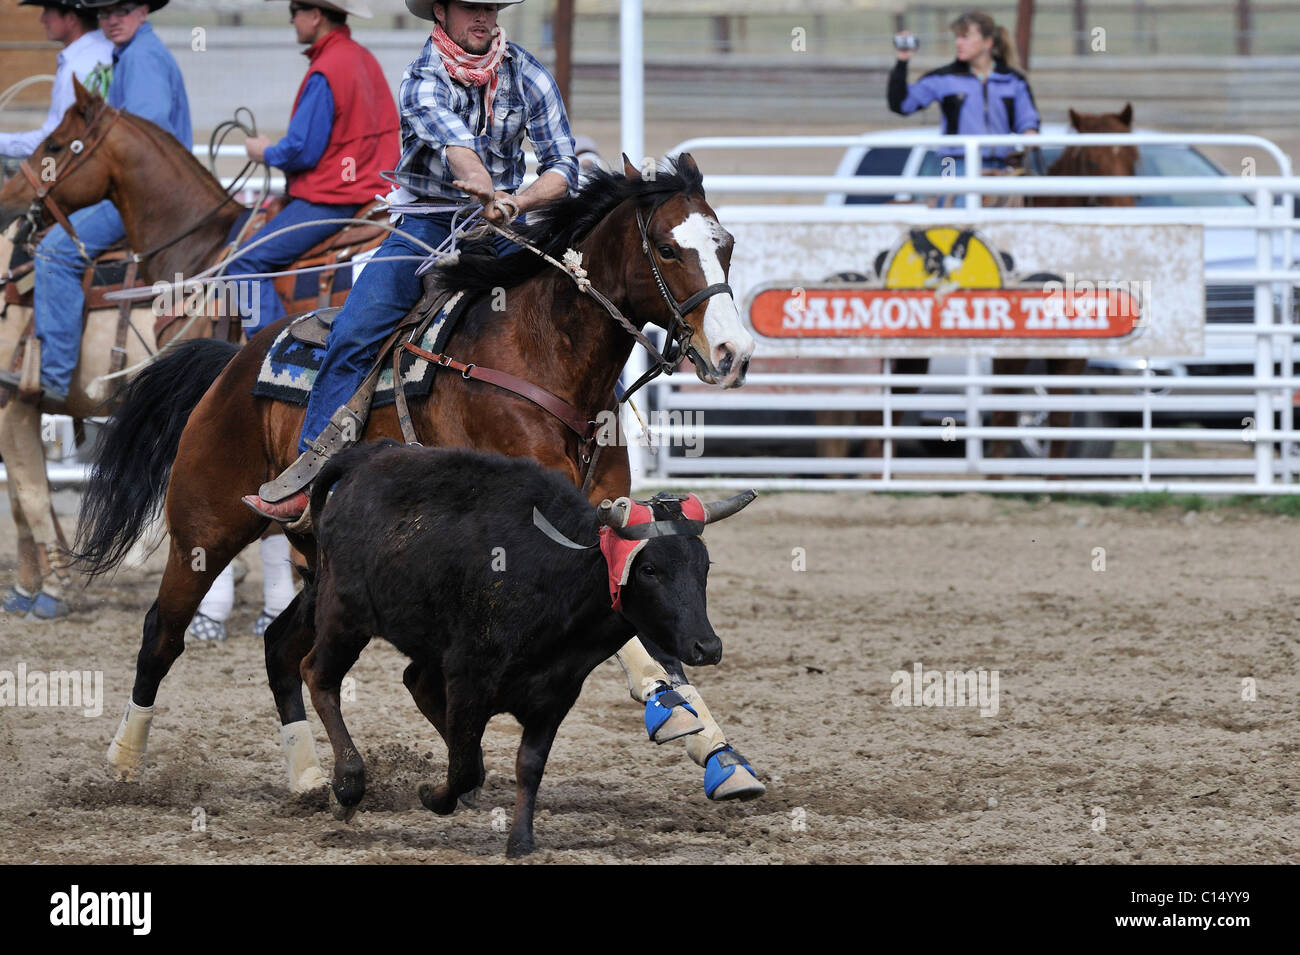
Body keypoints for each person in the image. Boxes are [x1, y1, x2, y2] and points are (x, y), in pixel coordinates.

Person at [243, 0, 577, 521]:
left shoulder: (526, 71)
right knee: (357, 328)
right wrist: (481, 185)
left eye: (490, 7)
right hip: (428, 224)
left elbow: (563, 166)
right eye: (471, 7)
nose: (483, 17)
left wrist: (516, 202)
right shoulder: (422, 74)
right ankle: (309, 476)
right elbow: (457, 147)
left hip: (507, 220)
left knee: (575, 312)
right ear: (441, 12)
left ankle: (600, 446)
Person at [0, 0, 190, 407]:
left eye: (121, 10)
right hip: (145, 190)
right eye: (104, 13)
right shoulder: (131, 55)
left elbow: (142, 140)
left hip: (145, 197)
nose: (111, 20)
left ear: (142, 10)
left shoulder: (140, 59)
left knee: (53, 252)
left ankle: (52, 376)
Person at [221, 0, 399, 337]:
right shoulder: (362, 58)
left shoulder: (326, 69)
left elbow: (302, 151)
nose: (291, 19)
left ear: (315, 16)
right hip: (374, 189)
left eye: (296, 10)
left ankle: (269, 351)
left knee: (243, 264)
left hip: (332, 197)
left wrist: (264, 151)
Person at [887, 10, 1039, 183]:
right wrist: (902, 62)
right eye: (957, 37)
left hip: (999, 163)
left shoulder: (1012, 80)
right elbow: (902, 105)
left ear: (987, 42)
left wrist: (1030, 133)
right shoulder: (943, 78)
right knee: (955, 206)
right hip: (952, 162)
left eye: (965, 37)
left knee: (1011, 207)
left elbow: (1028, 121)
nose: (958, 43)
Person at [0, 0, 113, 160]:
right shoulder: (108, 49)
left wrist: (2, 142)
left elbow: (54, 142)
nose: (42, 19)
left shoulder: (75, 68)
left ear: (71, 19)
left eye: (48, 11)